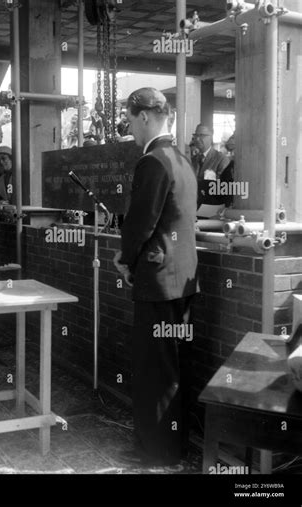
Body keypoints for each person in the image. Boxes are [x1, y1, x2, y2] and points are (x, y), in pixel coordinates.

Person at [114, 88, 199, 467]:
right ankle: (173, 448)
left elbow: (141, 223)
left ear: (144, 116)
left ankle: (158, 453)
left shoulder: (152, 162)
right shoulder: (181, 159)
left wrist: (125, 259)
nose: (130, 128)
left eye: (130, 120)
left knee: (153, 369)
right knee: (172, 366)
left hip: (158, 281)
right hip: (183, 281)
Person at [191, 124, 230, 210]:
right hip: (193, 208)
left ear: (211, 136)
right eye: (196, 135)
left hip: (212, 210)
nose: (197, 139)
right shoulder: (192, 160)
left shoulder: (221, 159)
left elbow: (224, 188)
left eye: (201, 135)